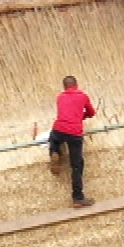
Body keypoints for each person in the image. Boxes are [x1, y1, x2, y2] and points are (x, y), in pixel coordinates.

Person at [48, 75, 96, 207]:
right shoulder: (83, 96)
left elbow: (64, 113)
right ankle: (78, 198)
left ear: (64, 86)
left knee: (53, 138)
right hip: (74, 133)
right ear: (76, 84)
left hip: (59, 129)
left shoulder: (60, 97)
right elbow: (92, 112)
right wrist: (81, 116)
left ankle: (55, 152)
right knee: (77, 165)